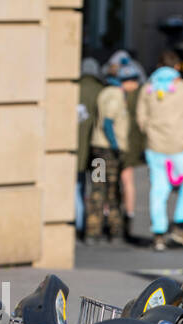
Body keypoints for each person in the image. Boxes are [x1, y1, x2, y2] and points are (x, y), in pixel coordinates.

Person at [136, 50, 183, 251]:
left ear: (157, 66)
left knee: (159, 188)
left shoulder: (147, 88)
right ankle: (180, 226)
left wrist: (151, 131)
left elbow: (140, 118)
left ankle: (159, 234)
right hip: (182, 145)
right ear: (177, 67)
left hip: (156, 146)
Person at [86, 65, 133, 243]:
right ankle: (115, 231)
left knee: (97, 189)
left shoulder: (104, 92)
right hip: (108, 151)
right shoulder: (116, 94)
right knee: (112, 190)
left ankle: (92, 231)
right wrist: (114, 145)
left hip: (97, 148)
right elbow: (108, 122)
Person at [76, 57, 103, 239]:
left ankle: (78, 224)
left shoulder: (74, 89)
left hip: (76, 149)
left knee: (76, 186)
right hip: (99, 152)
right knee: (97, 187)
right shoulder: (102, 91)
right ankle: (94, 228)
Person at [119, 64, 146, 237]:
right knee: (128, 180)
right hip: (134, 144)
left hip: (124, 144)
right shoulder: (142, 94)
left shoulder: (122, 96)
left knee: (125, 179)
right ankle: (128, 215)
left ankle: (127, 215)